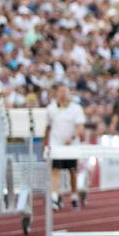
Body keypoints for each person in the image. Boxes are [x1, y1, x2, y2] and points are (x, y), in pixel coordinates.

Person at [46, 83, 87, 211]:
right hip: (56, 145)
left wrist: (73, 136)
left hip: (71, 146)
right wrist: (45, 144)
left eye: (65, 91)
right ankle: (55, 196)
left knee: (72, 171)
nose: (63, 94)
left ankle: (74, 195)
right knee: (55, 170)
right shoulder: (50, 108)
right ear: (56, 93)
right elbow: (47, 127)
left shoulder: (76, 108)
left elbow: (80, 126)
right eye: (60, 91)